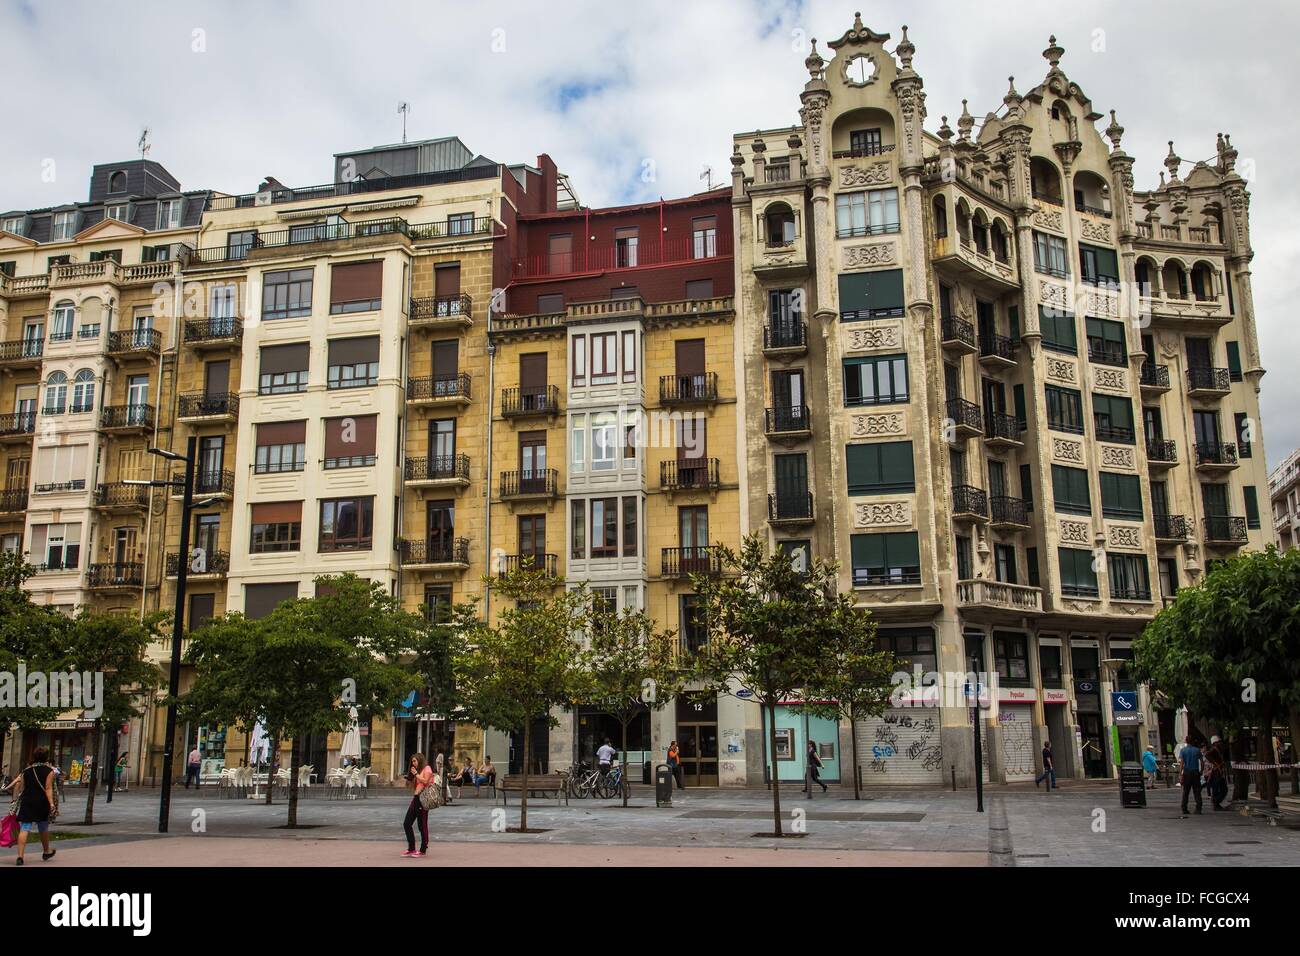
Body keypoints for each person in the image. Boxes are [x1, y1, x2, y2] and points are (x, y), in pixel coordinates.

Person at [10, 747, 58, 865]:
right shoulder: (49, 771)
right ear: (46, 757)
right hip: (42, 802)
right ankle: (46, 851)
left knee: (25, 827)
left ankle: (20, 857)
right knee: (43, 826)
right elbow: (48, 788)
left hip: (27, 801)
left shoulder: (26, 770)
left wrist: (14, 800)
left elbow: (22, 787)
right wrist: (51, 803)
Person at [401, 753, 434, 858]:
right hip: (415, 799)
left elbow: (426, 781)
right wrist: (410, 778)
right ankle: (411, 848)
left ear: (420, 760)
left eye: (415, 761)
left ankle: (423, 849)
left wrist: (416, 774)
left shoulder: (427, 768)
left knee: (422, 825)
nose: (413, 763)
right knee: (407, 823)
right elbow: (411, 785)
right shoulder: (417, 771)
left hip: (423, 799)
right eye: (412, 762)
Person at [1178, 735, 1204, 817]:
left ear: (1186, 741)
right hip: (1195, 772)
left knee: (1186, 791)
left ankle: (1184, 808)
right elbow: (1202, 762)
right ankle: (1198, 808)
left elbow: (1182, 763)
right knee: (1197, 791)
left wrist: (1180, 773)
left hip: (1187, 772)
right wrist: (1201, 771)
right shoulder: (1197, 750)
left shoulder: (1183, 750)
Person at [1206, 736, 1228, 810]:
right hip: (1216, 773)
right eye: (1218, 742)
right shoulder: (1213, 750)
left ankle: (1216, 802)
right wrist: (1215, 763)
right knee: (1218, 788)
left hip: (1219, 772)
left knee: (1224, 789)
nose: (1220, 743)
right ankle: (1215, 803)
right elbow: (1207, 755)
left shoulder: (1219, 750)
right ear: (1215, 743)